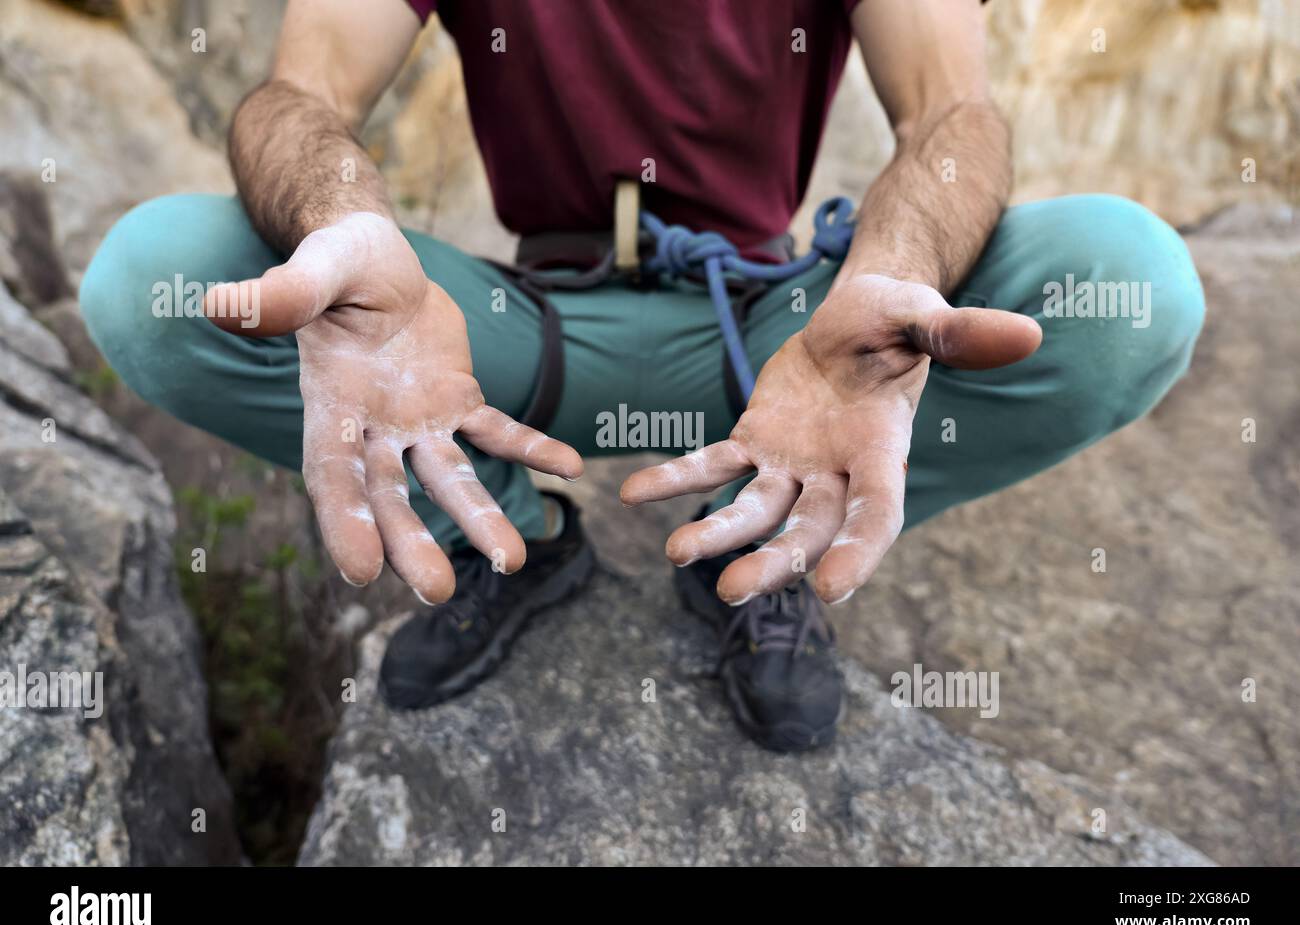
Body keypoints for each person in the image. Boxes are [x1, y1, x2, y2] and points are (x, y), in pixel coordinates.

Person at [80, 0, 1205, 752]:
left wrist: (897, 268)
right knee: (156, 279)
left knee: (1133, 284)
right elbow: (299, 96)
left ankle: (765, 538)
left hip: (779, 335)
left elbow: (954, 114)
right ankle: (506, 535)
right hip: (520, 327)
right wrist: (340, 220)